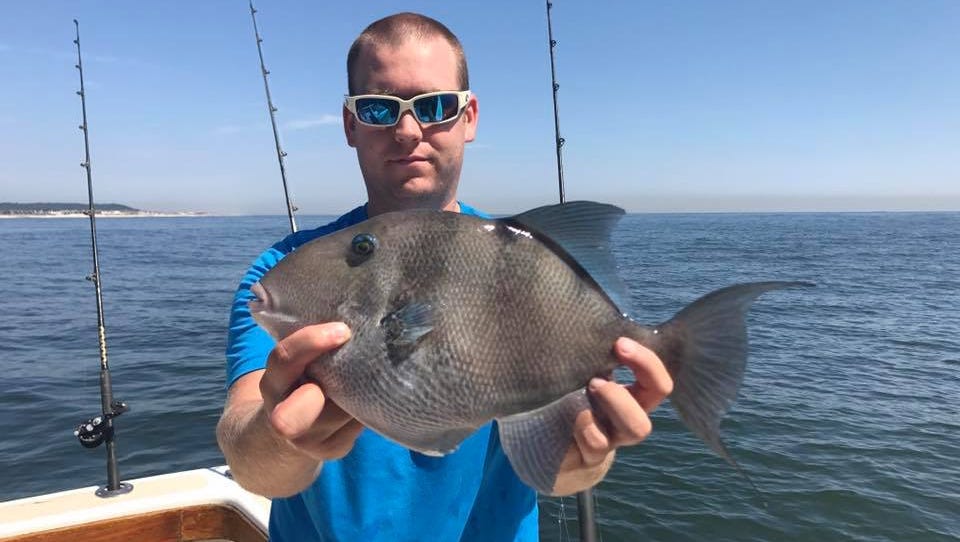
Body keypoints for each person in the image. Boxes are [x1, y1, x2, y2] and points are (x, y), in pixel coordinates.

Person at [217, 12, 673, 542]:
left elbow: (561, 471)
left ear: (469, 116)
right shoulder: (281, 270)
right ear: (350, 124)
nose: (407, 130)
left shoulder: (521, 257)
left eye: (435, 107)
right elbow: (249, 459)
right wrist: (282, 438)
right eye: (379, 109)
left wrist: (585, 457)